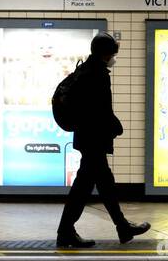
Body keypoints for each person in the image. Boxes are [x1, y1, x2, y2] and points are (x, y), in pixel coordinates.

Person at [56, 34, 150, 248]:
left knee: (96, 185)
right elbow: (99, 110)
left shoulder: (85, 69)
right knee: (94, 186)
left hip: (87, 138)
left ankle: (120, 227)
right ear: (106, 53)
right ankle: (69, 232)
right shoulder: (97, 74)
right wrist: (115, 126)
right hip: (93, 139)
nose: (114, 58)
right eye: (113, 54)